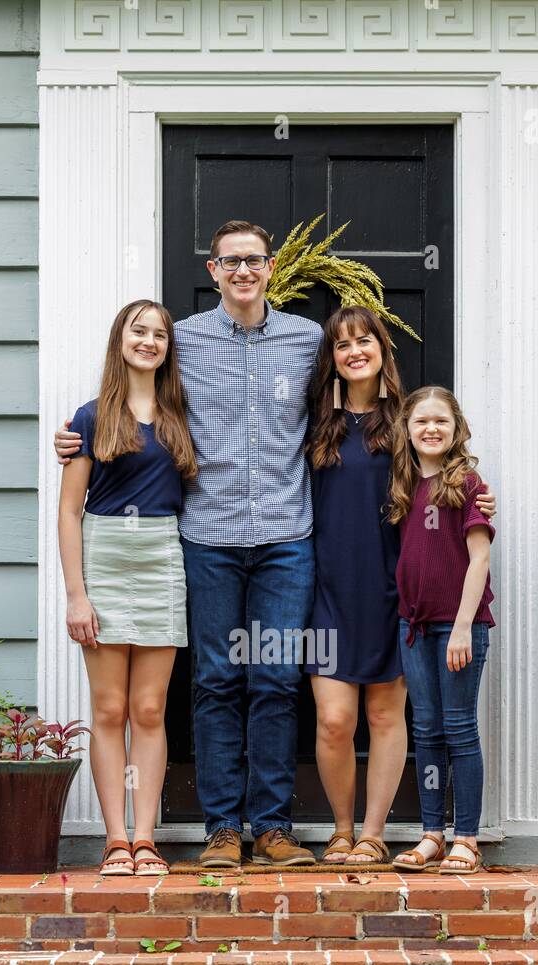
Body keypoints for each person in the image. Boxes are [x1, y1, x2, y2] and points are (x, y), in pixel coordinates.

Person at [57, 221, 322, 869]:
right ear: (212, 269)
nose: (242, 271)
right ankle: (222, 830)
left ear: (270, 265)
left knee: (277, 682)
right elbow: (134, 397)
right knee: (213, 683)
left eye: (253, 260)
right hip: (205, 539)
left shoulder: (307, 339)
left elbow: (343, 411)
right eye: (229, 261)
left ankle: (273, 826)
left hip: (287, 537)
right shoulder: (186, 340)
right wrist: (78, 438)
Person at [307, 308, 495, 865]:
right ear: (333, 360)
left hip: (396, 596)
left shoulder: (407, 426)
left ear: (383, 350)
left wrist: (478, 499)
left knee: (388, 717)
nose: (354, 351)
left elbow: (448, 479)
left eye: (365, 340)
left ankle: (372, 834)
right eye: (342, 345)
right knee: (334, 718)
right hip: (327, 590)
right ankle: (340, 830)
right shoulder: (316, 422)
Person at [57, 299, 196, 876]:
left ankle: (146, 838)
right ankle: (115, 839)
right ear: (120, 341)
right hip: (106, 559)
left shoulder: (180, 416)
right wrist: (76, 594)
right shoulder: (90, 419)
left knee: (149, 706)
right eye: (138, 332)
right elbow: (69, 511)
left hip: (162, 557)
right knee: (110, 708)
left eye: (159, 334)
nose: (149, 341)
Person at [390, 386, 495, 874]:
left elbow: (479, 560)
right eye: (421, 422)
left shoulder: (467, 485)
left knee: (459, 728)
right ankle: (432, 833)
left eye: (441, 422)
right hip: (413, 627)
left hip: (458, 631)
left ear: (457, 430)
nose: (431, 429)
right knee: (427, 730)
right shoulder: (403, 484)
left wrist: (461, 628)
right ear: (407, 430)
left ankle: (467, 837)